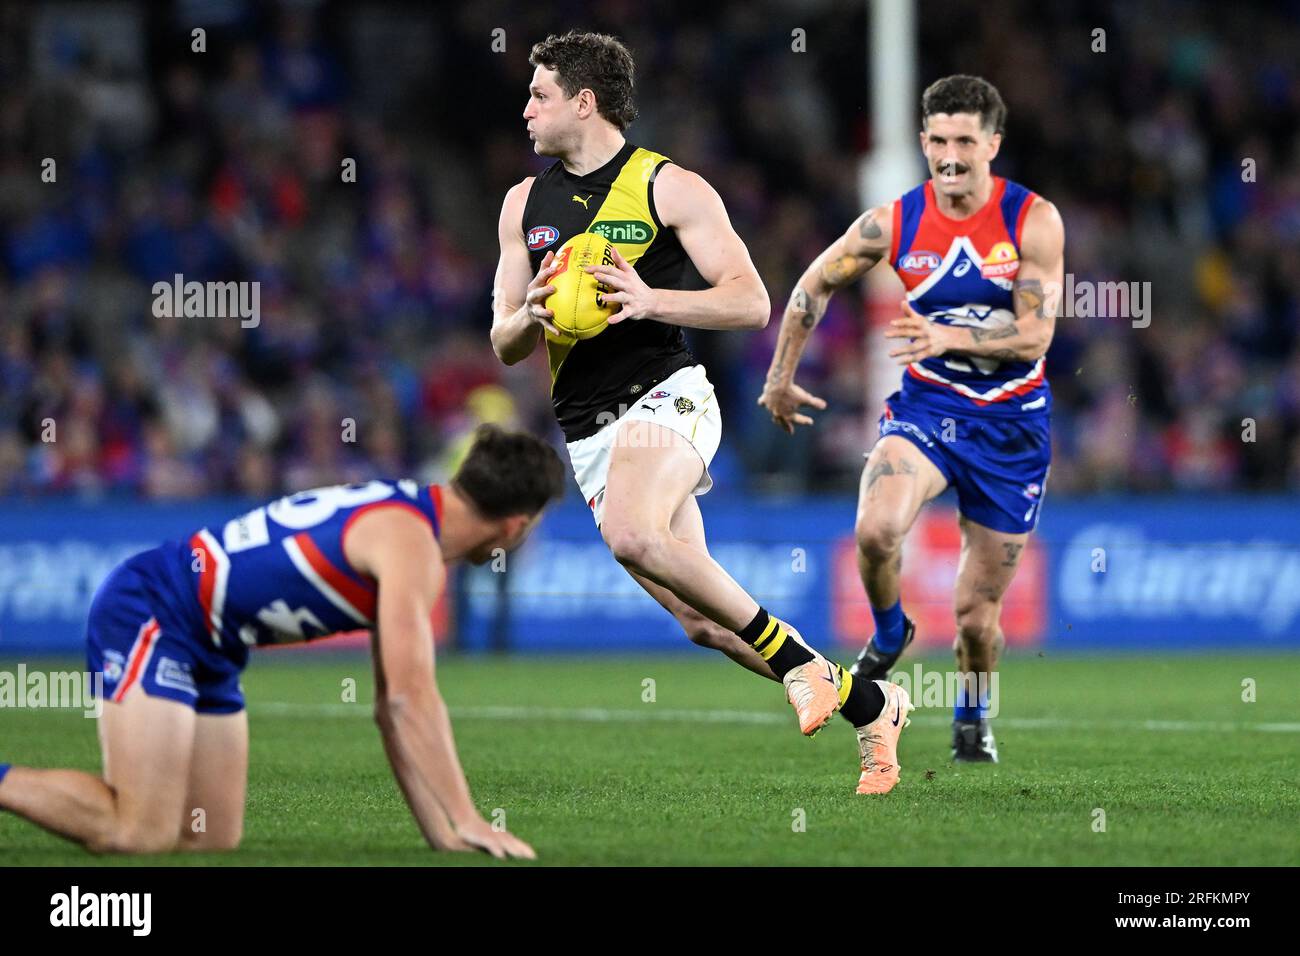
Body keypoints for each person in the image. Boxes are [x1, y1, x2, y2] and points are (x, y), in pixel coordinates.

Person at [491, 30, 912, 793]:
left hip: (668, 394)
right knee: (703, 623)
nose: (525, 110)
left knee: (629, 532)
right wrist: (530, 310)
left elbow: (751, 301)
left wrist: (653, 300)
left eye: (539, 95)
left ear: (583, 103)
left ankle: (797, 671)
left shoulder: (670, 187)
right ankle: (871, 702)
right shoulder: (523, 205)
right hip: (588, 428)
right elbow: (503, 341)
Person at [0, 425, 566, 856]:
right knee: (139, 831)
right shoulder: (411, 546)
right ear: (517, 525)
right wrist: (467, 815)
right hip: (156, 609)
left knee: (209, 835)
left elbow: (392, 709)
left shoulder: (409, 517)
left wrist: (442, 833)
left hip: (212, 644)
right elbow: (409, 700)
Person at [760, 75, 1064, 764]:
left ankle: (974, 714)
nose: (951, 154)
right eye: (938, 140)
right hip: (930, 412)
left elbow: (1036, 336)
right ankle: (891, 630)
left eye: (965, 140)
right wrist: (781, 378)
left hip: (1012, 431)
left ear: (993, 142)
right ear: (924, 143)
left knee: (975, 619)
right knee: (875, 530)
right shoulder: (895, 222)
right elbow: (815, 282)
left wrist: (951, 338)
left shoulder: (1032, 220)